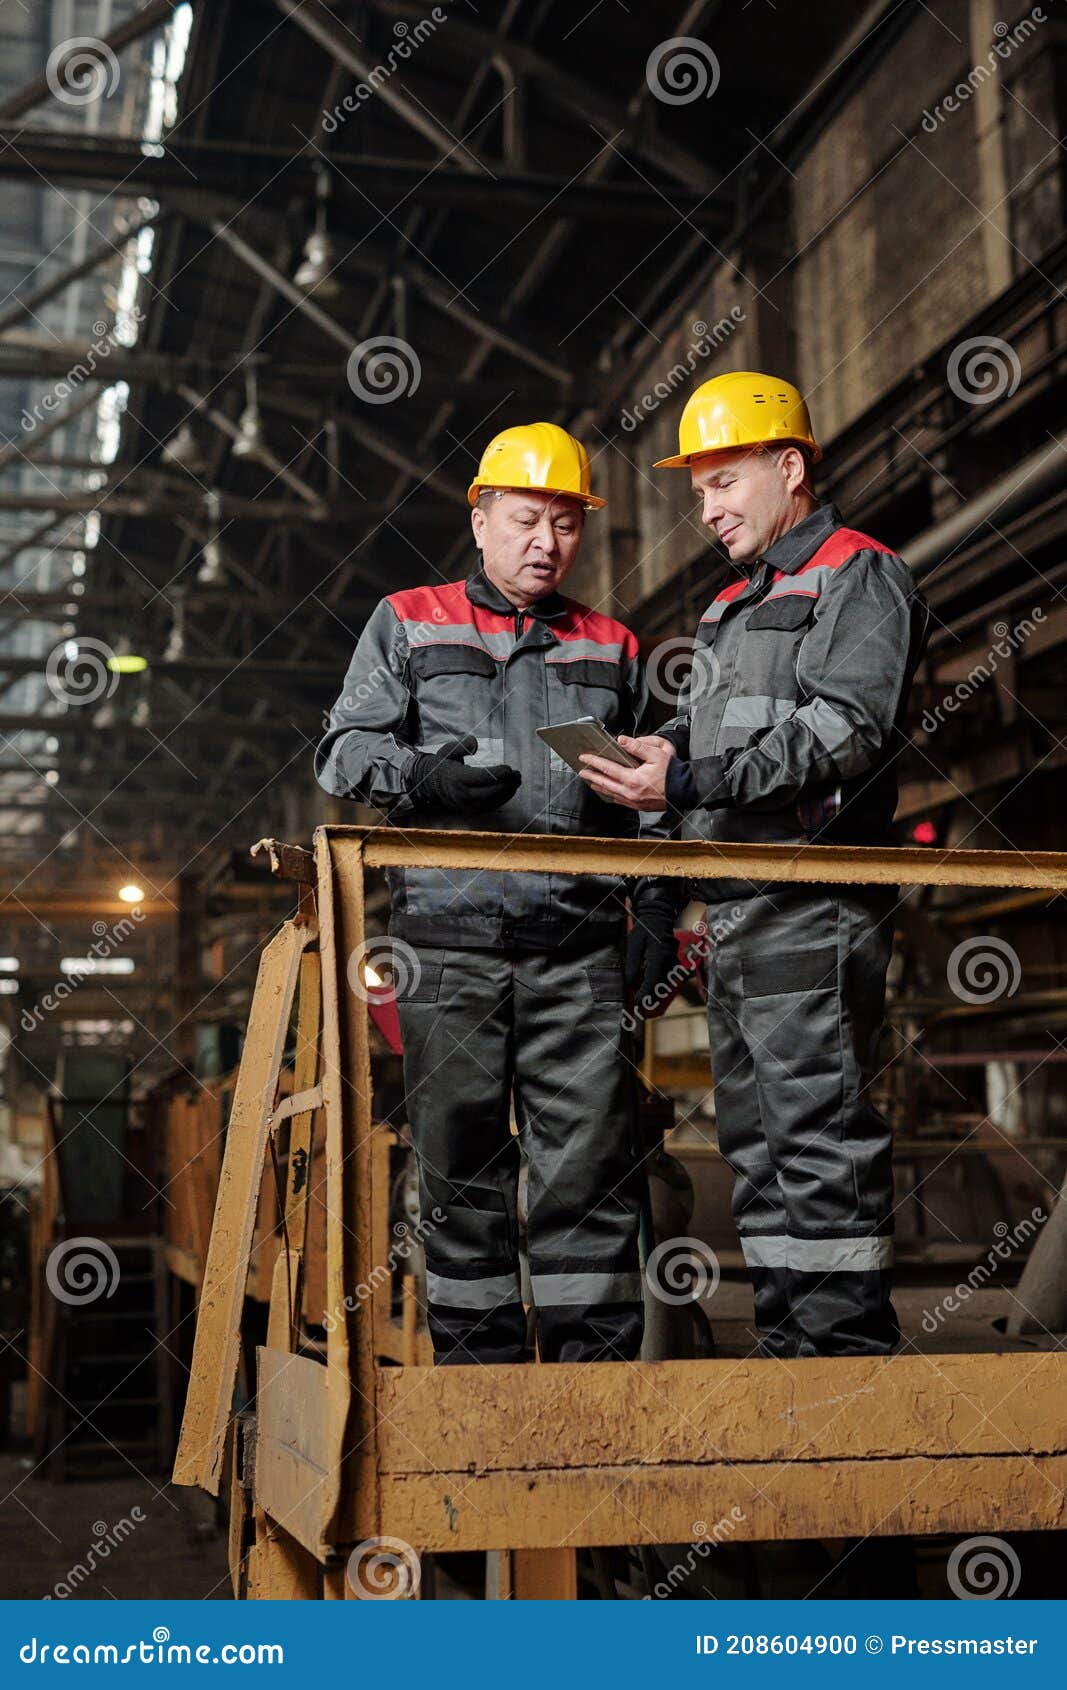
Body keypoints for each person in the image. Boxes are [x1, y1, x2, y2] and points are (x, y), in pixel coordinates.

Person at [578, 372, 930, 1358]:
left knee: (813, 1140)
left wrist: (687, 777)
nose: (707, 508)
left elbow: (845, 728)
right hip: (732, 916)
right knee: (757, 1148)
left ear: (789, 466)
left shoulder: (858, 575)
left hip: (810, 905)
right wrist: (653, 876)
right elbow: (696, 763)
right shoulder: (731, 606)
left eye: (723, 480)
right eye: (695, 492)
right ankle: (788, 1359)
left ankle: (843, 1365)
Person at [316, 421, 677, 1365]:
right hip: (447, 946)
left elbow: (646, 796)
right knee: (460, 1172)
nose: (544, 543)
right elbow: (343, 750)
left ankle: (588, 1398)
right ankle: (481, 1393)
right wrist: (419, 780)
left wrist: (659, 911)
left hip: (579, 947)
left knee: (590, 1174)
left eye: (565, 525)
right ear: (479, 519)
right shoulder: (409, 619)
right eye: (525, 520)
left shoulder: (611, 645)